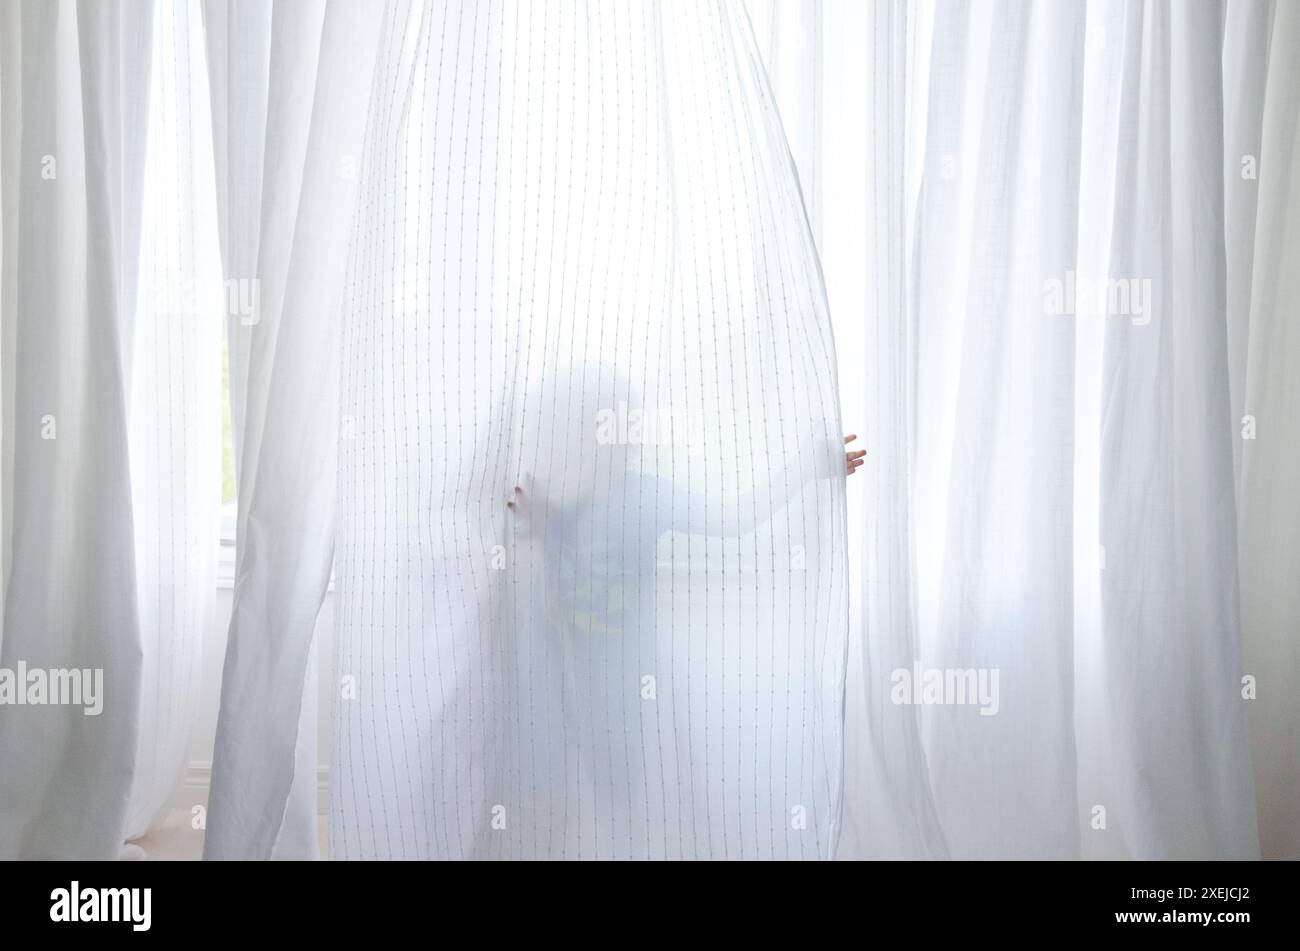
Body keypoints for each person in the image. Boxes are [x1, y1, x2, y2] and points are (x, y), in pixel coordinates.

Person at [502, 361, 862, 856]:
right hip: (565, 690)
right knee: (563, 809)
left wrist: (809, 467)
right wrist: (533, 523)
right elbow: (534, 561)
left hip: (627, 695)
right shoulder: (562, 505)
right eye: (604, 425)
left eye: (626, 426)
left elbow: (733, 519)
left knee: (623, 805)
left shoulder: (648, 496)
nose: (619, 438)